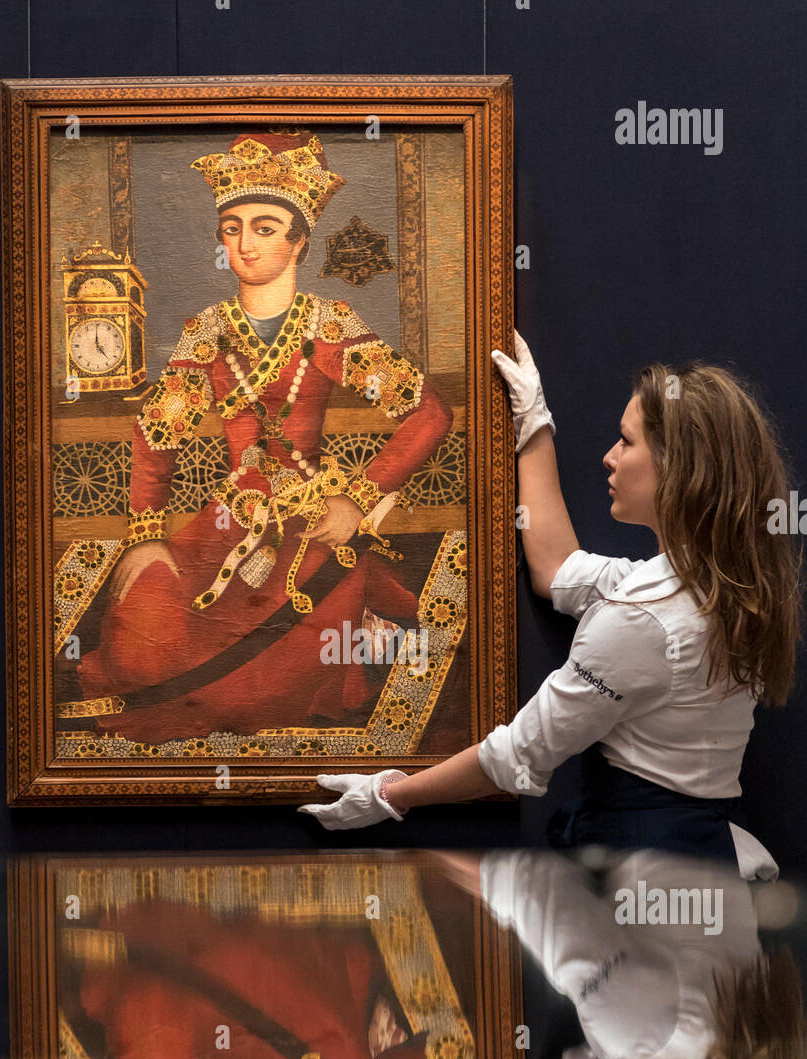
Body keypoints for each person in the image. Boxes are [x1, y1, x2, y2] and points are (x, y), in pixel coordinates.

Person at [301, 335, 801, 873]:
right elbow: (559, 569)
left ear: (680, 467)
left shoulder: (642, 616)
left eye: (627, 443)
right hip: (699, 855)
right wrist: (534, 424)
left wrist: (390, 794)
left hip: (652, 867)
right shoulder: (722, 587)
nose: (609, 457)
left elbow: (517, 755)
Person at [66, 131, 452, 744]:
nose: (244, 244)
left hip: (312, 526)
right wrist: (145, 536)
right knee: (142, 645)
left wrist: (355, 500)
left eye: (266, 227)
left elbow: (429, 413)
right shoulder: (207, 332)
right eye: (232, 228)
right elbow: (156, 432)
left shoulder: (331, 326)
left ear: (300, 240)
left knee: (267, 679)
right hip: (224, 524)